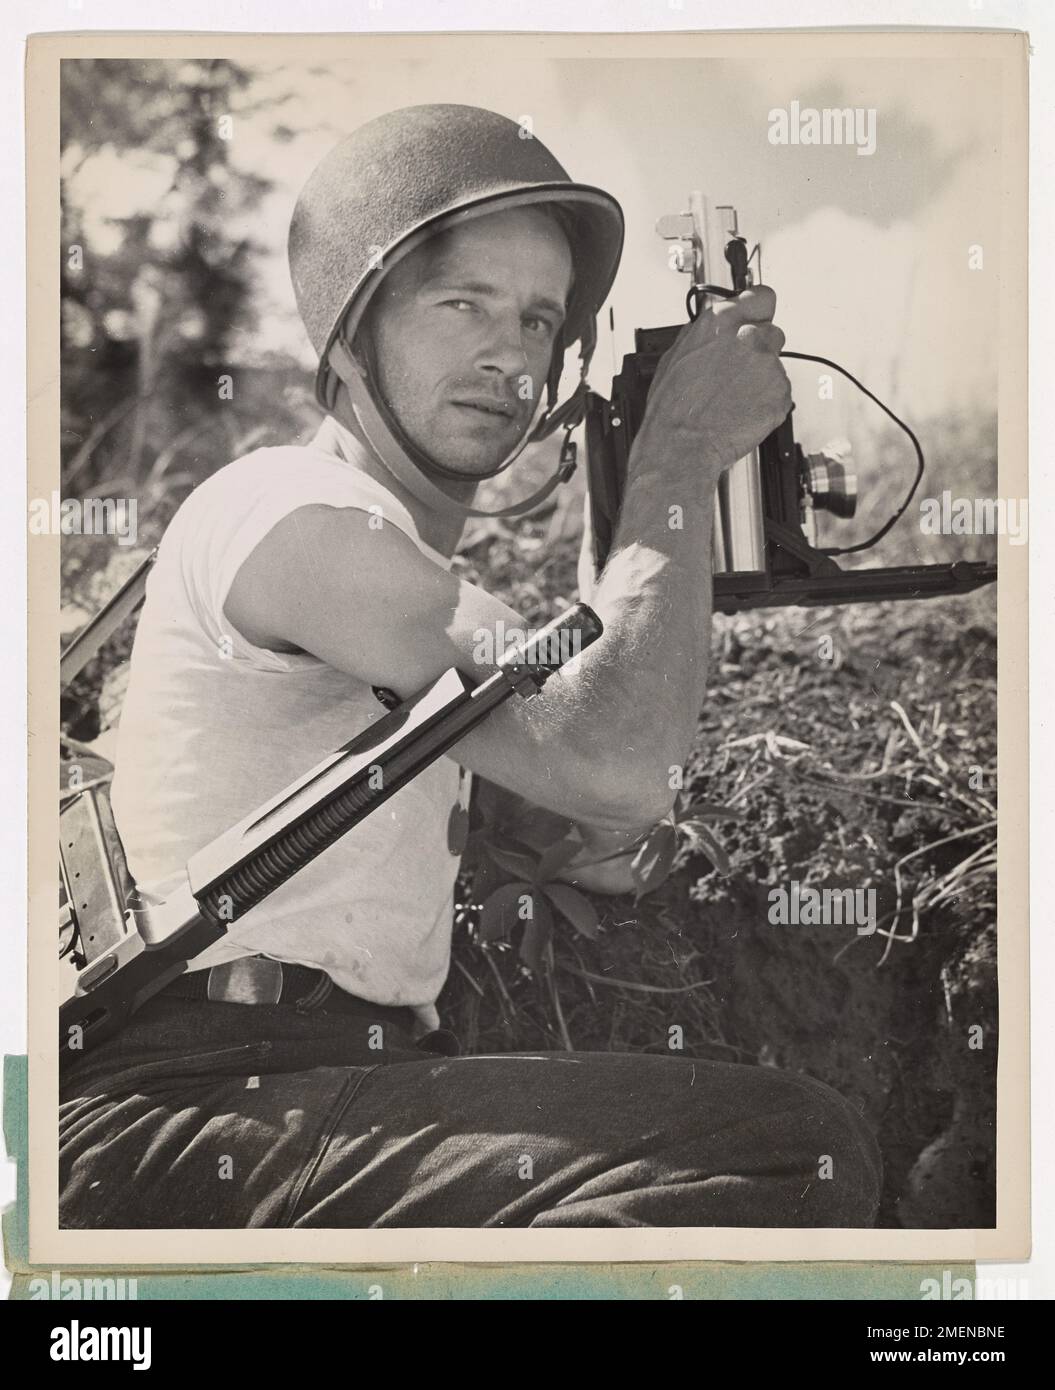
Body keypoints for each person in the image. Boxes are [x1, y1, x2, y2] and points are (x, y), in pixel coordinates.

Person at [59, 104, 882, 1229]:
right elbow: (613, 762)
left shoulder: (404, 578)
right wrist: (678, 453)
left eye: (540, 320)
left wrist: (629, 511)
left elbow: (595, 806)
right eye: (462, 303)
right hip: (178, 1101)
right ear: (349, 334)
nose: (509, 352)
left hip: (308, 1091)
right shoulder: (294, 513)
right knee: (785, 1147)